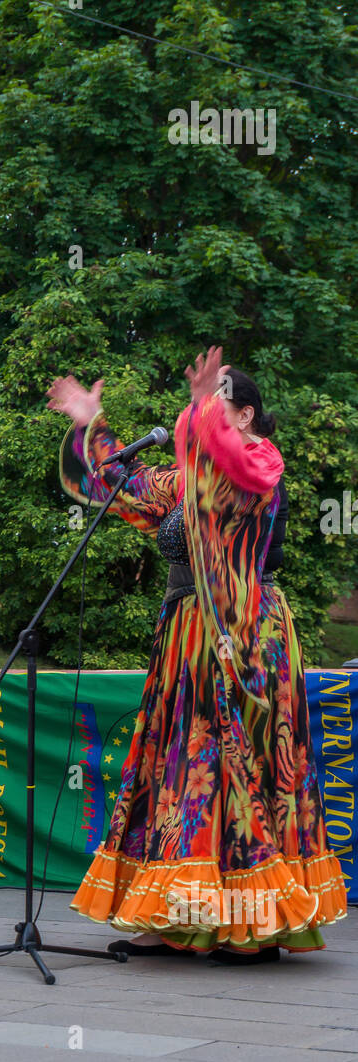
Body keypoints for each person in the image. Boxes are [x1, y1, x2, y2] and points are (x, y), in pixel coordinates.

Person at [47, 346, 347, 962]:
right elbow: (122, 485)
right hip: (186, 637)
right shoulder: (188, 480)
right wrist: (90, 422)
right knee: (177, 768)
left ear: (246, 416)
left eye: (219, 404)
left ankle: (250, 923)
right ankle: (178, 913)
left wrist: (197, 410)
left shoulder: (259, 464)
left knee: (238, 764)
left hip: (242, 636)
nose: (206, 415)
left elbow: (232, 473)